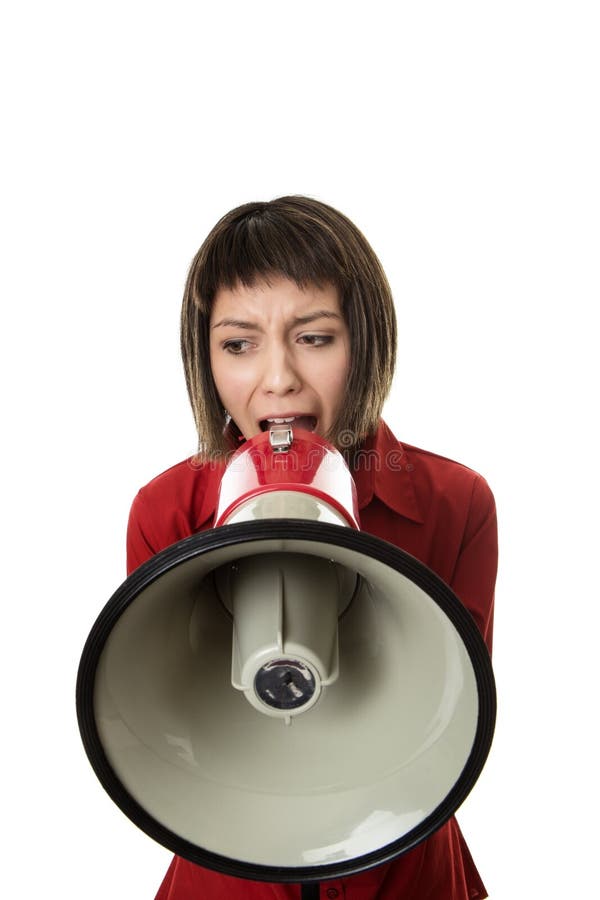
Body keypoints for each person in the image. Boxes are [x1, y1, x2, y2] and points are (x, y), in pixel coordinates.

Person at [126, 195, 498, 900]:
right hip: (222, 871)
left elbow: (449, 723)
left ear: (367, 341)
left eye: (315, 337)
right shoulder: (165, 510)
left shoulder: (455, 504)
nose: (278, 379)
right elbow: (160, 724)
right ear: (206, 359)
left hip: (407, 870)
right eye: (239, 345)